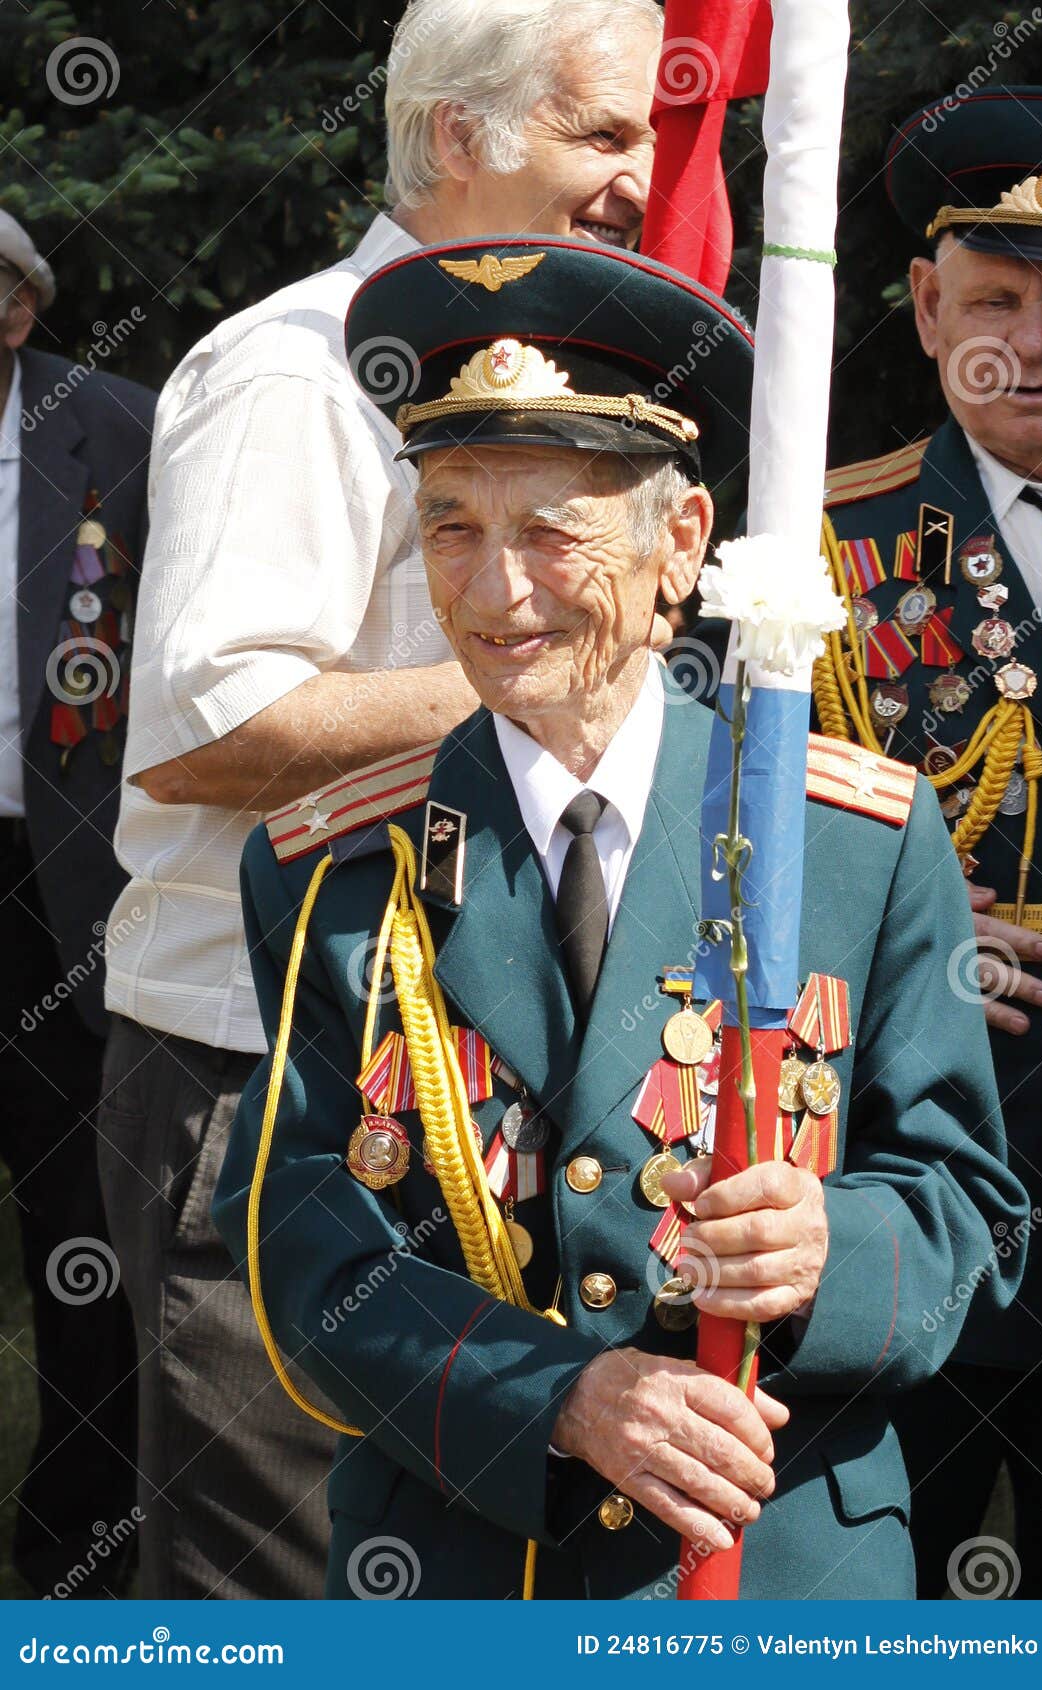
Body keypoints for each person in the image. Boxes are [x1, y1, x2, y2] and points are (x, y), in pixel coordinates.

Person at [213, 234, 1028, 1600]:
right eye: (455, 525)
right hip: (477, 1561)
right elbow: (306, 1244)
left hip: (777, 1558)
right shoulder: (336, 865)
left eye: (550, 530)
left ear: (681, 549)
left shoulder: (856, 842)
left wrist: (833, 1250)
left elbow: (972, 1209)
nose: (492, 591)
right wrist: (560, 1396)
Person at [96, 0, 666, 1599]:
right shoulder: (292, 371)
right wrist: (546, 669)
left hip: (462, 1087)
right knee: (281, 1585)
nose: (641, 180)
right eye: (604, 133)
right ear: (462, 135)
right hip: (260, 1079)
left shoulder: (536, 374)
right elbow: (208, 731)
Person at [812, 87, 1042, 1599]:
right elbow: (719, 836)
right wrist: (891, 930)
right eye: (998, 302)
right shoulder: (825, 551)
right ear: (923, 307)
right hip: (933, 1150)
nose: (1037, 340)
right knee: (882, 1569)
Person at [0, 210, 154, 1595]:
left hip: (56, 882)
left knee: (81, 1225)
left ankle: (80, 1537)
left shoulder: (117, 430)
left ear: (17, 312)